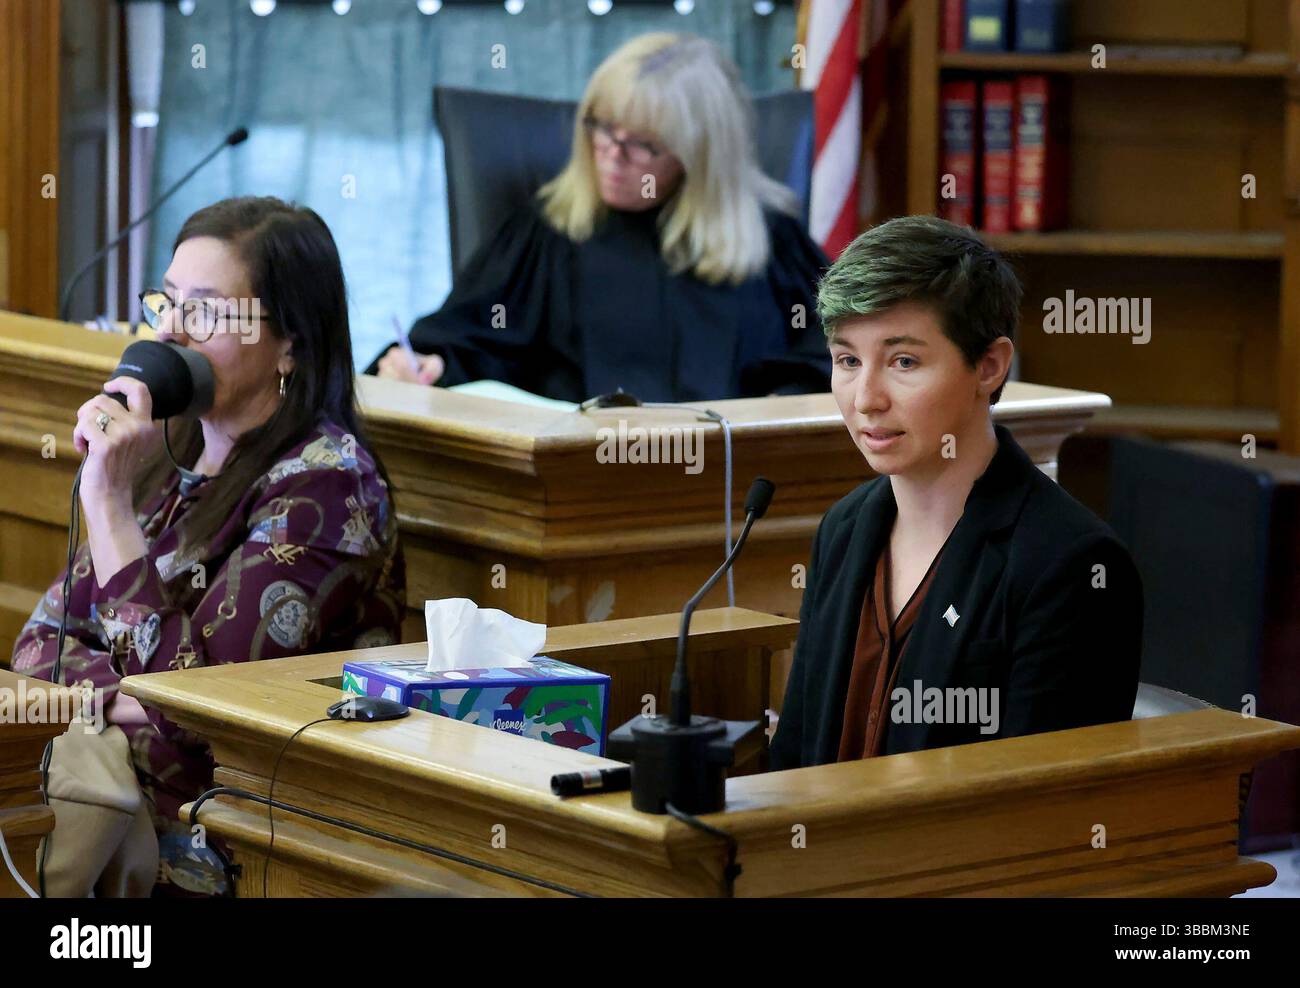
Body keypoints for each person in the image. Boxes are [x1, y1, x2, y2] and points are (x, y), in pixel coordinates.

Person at [12, 196, 405, 896]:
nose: (168, 332)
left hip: (223, 845)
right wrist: (128, 698)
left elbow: (196, 709)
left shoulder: (329, 488)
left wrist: (104, 503)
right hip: (111, 805)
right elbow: (41, 643)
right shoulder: (171, 450)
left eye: (205, 311)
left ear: (290, 342)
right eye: (165, 303)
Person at [769, 215, 1142, 770]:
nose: (866, 397)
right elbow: (795, 757)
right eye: (847, 360)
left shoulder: (1069, 562)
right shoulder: (844, 528)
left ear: (988, 366)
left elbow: (1043, 806)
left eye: (903, 361)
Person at [371, 32, 830, 402]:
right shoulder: (547, 233)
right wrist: (425, 368)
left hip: (732, 486)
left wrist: (781, 403)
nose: (612, 156)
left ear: (700, 158)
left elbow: (836, 351)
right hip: (572, 490)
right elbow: (470, 345)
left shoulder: (771, 242)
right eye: (602, 128)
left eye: (643, 144)